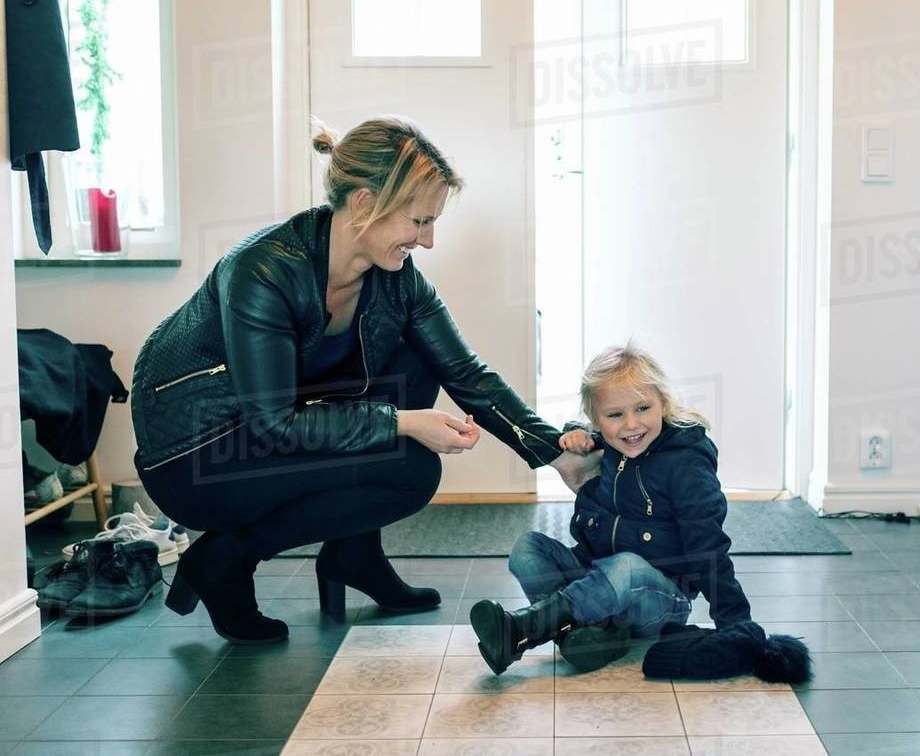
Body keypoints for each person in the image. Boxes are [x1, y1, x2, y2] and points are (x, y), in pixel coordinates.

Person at [131, 116, 599, 644]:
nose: (427, 241)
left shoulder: (397, 280)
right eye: (419, 221)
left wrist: (555, 453)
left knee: (420, 362)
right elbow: (274, 424)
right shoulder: (263, 271)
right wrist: (403, 421)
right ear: (362, 204)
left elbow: (465, 373)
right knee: (411, 468)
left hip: (272, 429)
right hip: (196, 451)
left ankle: (354, 552)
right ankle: (225, 559)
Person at [469, 343, 752, 675]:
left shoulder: (685, 462)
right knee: (527, 548)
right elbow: (583, 435)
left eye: (643, 408)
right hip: (598, 575)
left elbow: (708, 543)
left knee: (626, 567)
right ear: (597, 420)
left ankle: (519, 632)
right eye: (615, 415)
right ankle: (591, 637)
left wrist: (734, 620)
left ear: (663, 402)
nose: (631, 425)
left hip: (659, 598)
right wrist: (573, 434)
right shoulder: (608, 443)